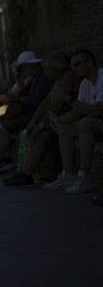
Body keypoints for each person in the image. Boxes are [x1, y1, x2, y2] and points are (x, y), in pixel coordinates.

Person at [3, 53, 76, 187]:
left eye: (47, 69)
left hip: (66, 120)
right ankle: (25, 173)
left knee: (40, 136)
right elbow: (45, 103)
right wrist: (32, 124)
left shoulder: (67, 77)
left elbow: (54, 106)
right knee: (30, 132)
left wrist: (40, 125)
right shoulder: (57, 80)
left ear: (55, 69)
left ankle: (27, 174)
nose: (44, 72)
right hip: (57, 121)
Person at [0, 51, 52, 174]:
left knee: (2, 127)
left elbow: (36, 102)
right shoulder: (28, 79)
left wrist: (18, 98)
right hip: (22, 113)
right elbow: (9, 95)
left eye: (22, 68)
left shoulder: (42, 79)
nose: (22, 71)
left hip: (32, 115)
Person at [43, 49, 103, 194]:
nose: (73, 69)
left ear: (88, 63)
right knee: (65, 127)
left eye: (77, 65)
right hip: (97, 125)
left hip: (97, 122)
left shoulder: (102, 78)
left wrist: (67, 98)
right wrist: (58, 120)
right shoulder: (85, 84)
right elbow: (77, 112)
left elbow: (98, 111)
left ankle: (85, 177)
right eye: (72, 66)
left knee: (86, 123)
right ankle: (69, 175)